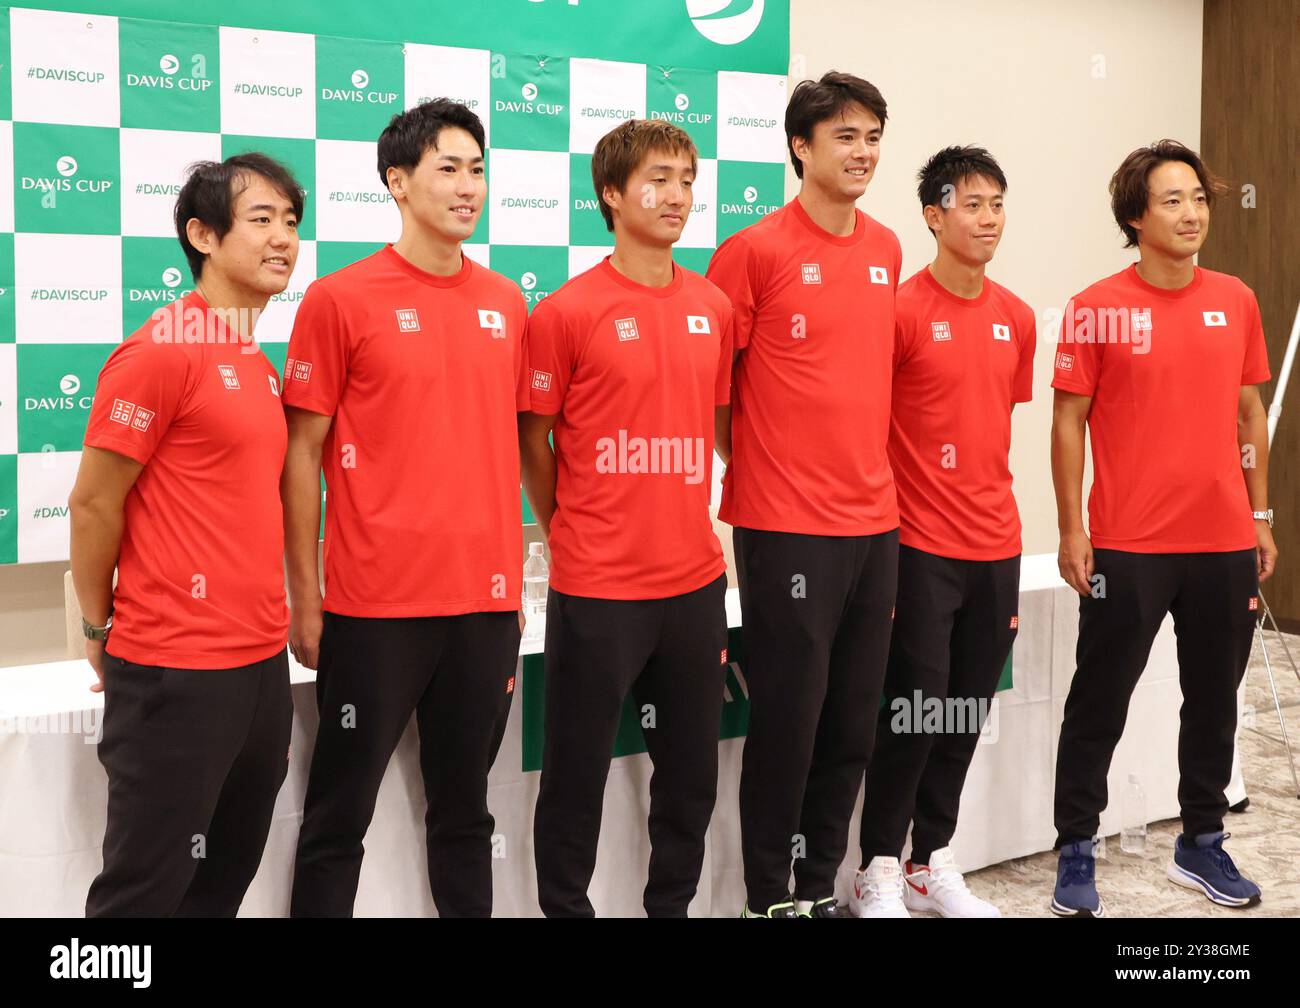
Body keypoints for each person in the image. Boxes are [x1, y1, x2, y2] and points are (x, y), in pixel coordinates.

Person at [284, 100, 527, 918]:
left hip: (484, 607)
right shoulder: (340, 298)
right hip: (374, 608)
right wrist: (307, 596)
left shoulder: (507, 302)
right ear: (397, 180)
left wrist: (511, 597)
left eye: (478, 169)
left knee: (465, 816)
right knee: (337, 816)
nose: (468, 187)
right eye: (448, 168)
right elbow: (300, 456)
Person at [72, 153, 304, 916]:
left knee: (221, 882)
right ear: (202, 235)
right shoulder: (162, 349)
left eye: (291, 222)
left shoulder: (253, 358)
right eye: (261, 220)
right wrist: (95, 623)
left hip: (259, 665)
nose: (282, 239)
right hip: (174, 669)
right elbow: (94, 505)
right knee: (141, 895)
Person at [1050, 140, 1274, 917]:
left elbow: (1249, 412)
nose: (1192, 213)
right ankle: (1076, 847)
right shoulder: (1095, 306)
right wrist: (1072, 527)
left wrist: (1260, 514)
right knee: (1100, 701)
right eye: (1173, 199)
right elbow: (1069, 420)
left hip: (1222, 543)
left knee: (1214, 700)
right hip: (1128, 544)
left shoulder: (1236, 299)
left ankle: (1202, 841)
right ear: (1135, 216)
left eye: (1200, 199)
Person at [520, 118, 733, 917]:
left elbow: (712, 427)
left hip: (694, 582)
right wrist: (567, 523)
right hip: (599, 584)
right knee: (575, 772)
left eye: (686, 177)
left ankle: (669, 908)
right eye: (658, 178)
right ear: (612, 193)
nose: (677, 194)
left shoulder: (713, 304)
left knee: (690, 774)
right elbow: (531, 437)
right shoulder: (569, 312)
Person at [706, 71, 901, 919]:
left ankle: (820, 885)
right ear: (800, 148)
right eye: (844, 137)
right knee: (789, 721)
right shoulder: (752, 252)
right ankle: (766, 897)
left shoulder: (889, 247)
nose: (862, 153)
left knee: (853, 723)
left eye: (871, 137)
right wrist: (766, 469)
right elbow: (716, 393)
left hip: (877, 522)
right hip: (786, 527)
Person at [853, 146, 1034, 919]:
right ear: (934, 215)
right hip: (919, 546)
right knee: (916, 710)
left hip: (997, 546)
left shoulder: (1018, 317)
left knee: (964, 710)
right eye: (972, 204)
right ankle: (878, 868)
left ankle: (933, 859)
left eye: (997, 203)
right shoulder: (895, 311)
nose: (988, 218)